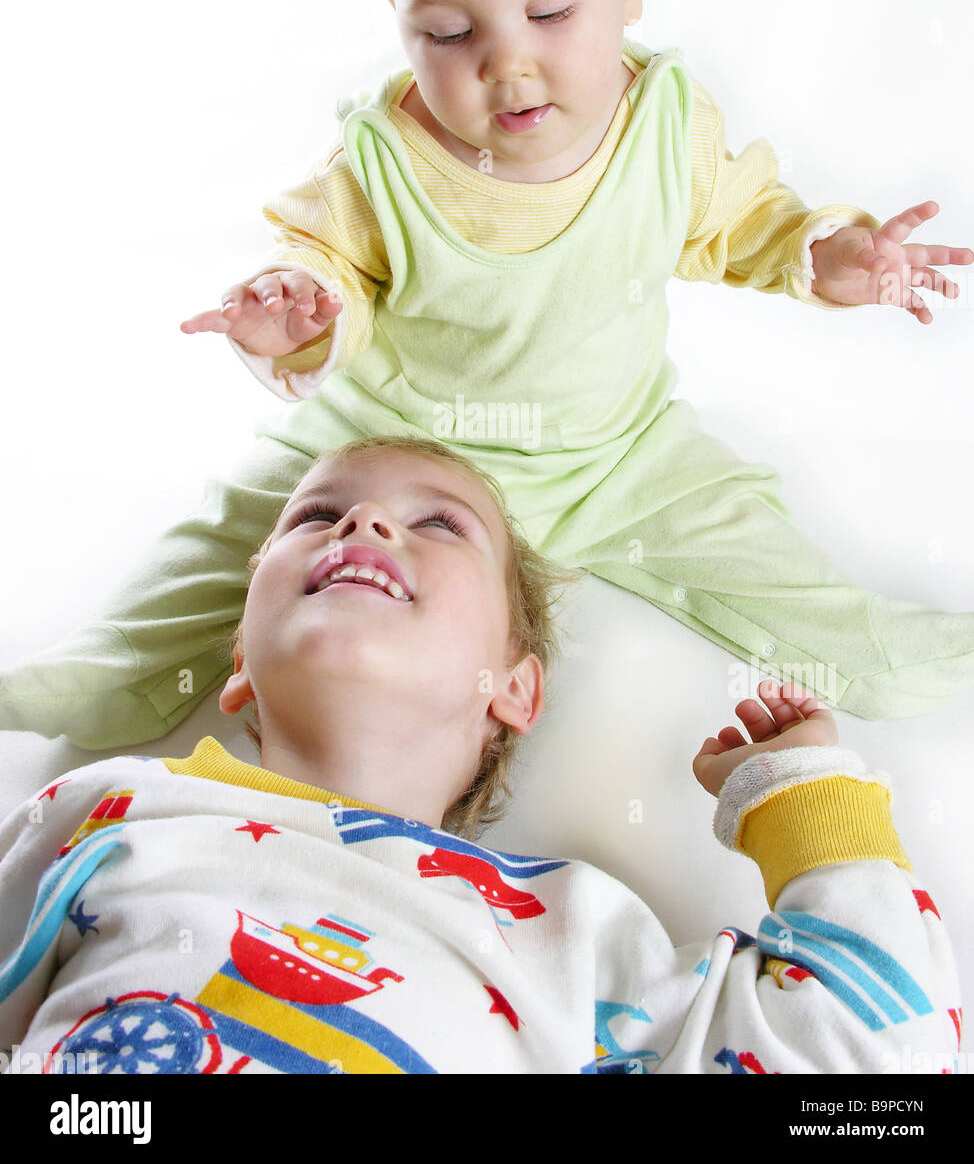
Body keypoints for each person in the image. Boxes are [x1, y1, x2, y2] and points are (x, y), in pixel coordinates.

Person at [3, 0, 974, 749]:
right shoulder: (381, 161)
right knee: (229, 546)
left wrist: (827, 251)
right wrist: (302, 312)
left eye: (550, 11)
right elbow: (321, 261)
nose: (507, 64)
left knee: (762, 556)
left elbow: (742, 219)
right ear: (397, 12)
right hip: (385, 456)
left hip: (610, 459)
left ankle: (899, 654)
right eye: (449, 32)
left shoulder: (666, 125)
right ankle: (95, 678)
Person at [0, 437, 961, 1075]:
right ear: (240, 662)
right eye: (312, 516)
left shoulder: (564, 929)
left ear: (514, 687)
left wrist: (800, 801)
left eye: (437, 523)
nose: (362, 525)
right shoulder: (109, 807)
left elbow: (880, 1075)